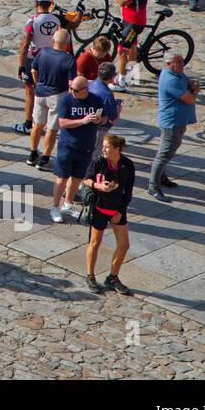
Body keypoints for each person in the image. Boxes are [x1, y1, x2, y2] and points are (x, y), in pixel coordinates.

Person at [77, 0, 147, 89]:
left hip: (135, 23)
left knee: (122, 51)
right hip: (128, 20)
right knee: (132, 48)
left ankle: (121, 83)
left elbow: (122, 1)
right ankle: (133, 77)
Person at [83, 134, 136, 294]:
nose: (103, 149)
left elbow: (128, 191)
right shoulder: (98, 162)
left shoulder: (127, 165)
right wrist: (98, 186)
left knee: (124, 245)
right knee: (95, 242)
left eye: (106, 146)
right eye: (103, 146)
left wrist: (121, 210)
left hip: (117, 209)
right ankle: (90, 276)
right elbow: (86, 180)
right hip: (99, 207)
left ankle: (112, 277)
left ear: (117, 148)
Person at [53, 75, 108, 222]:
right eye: (71, 88)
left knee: (77, 178)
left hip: (86, 146)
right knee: (62, 178)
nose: (72, 92)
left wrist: (99, 120)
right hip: (68, 146)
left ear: (85, 89)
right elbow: (63, 123)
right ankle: (55, 207)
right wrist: (82, 121)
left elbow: (105, 118)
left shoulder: (95, 100)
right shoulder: (66, 100)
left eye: (76, 90)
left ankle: (68, 203)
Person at [14, 0, 65, 135]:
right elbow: (73, 24)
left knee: (31, 91)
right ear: (50, 3)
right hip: (51, 59)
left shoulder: (32, 21)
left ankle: (28, 123)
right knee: (50, 91)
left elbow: (24, 45)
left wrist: (21, 66)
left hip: (34, 60)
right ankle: (51, 122)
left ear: (36, 2)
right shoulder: (57, 19)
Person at [150, 51, 197, 201]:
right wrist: (194, 91)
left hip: (178, 122)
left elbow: (188, 83)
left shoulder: (177, 74)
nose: (182, 65)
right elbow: (189, 98)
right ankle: (153, 186)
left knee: (168, 152)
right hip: (172, 123)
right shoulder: (171, 80)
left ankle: (161, 177)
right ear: (169, 64)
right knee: (164, 155)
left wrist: (191, 87)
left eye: (182, 61)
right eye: (179, 62)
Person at [29, 29, 78, 173]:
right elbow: (71, 84)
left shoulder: (43, 52)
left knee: (37, 125)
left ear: (53, 40)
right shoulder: (69, 60)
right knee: (52, 128)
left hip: (40, 93)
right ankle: (44, 158)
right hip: (57, 96)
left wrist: (38, 84)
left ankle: (32, 154)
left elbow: (33, 70)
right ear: (67, 43)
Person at [88, 62, 123, 157]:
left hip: (86, 124)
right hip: (99, 129)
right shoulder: (107, 95)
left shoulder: (90, 85)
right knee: (94, 156)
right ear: (112, 77)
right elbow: (113, 120)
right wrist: (118, 110)